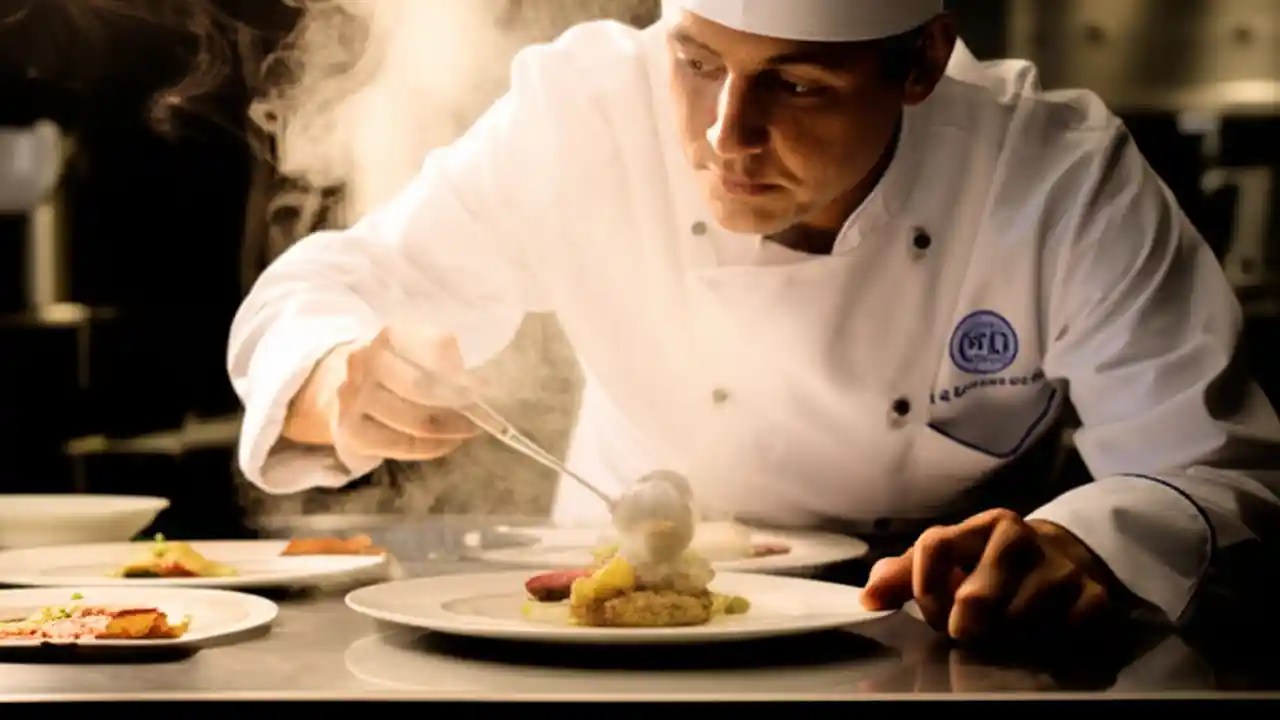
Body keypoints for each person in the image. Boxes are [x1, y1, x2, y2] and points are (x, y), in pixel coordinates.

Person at [227, 0, 1280, 646]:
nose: (728, 133)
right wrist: (334, 377)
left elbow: (1212, 470)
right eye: (695, 64)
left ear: (918, 61)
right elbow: (322, 288)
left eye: (794, 82)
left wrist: (1075, 547)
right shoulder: (584, 108)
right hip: (615, 624)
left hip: (932, 643)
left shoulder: (1052, 177)